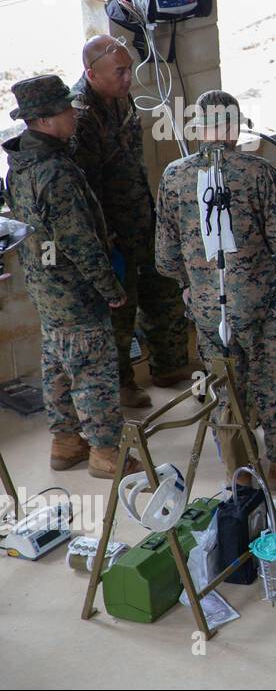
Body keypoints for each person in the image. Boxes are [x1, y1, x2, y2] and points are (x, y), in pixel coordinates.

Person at [155, 91, 276, 490]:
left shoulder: (174, 176)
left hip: (207, 305)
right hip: (261, 300)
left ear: (198, 129)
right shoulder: (258, 172)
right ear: (234, 127)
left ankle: (239, 471)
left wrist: (188, 286)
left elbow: (164, 255)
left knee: (224, 383)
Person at [2, 75, 136, 479]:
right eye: (64, 109)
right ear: (42, 121)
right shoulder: (56, 173)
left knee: (57, 363)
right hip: (75, 288)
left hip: (45, 288)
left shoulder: (20, 166)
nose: (73, 114)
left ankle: (65, 441)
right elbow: (80, 241)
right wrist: (110, 288)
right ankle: (106, 451)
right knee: (94, 369)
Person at [73, 35, 191, 409]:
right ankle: (122, 383)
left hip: (140, 213)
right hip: (111, 229)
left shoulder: (121, 100)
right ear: (92, 74)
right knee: (120, 311)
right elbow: (86, 186)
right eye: (120, 71)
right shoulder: (80, 116)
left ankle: (170, 364)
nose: (129, 79)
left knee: (164, 289)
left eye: (129, 69)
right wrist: (105, 237)